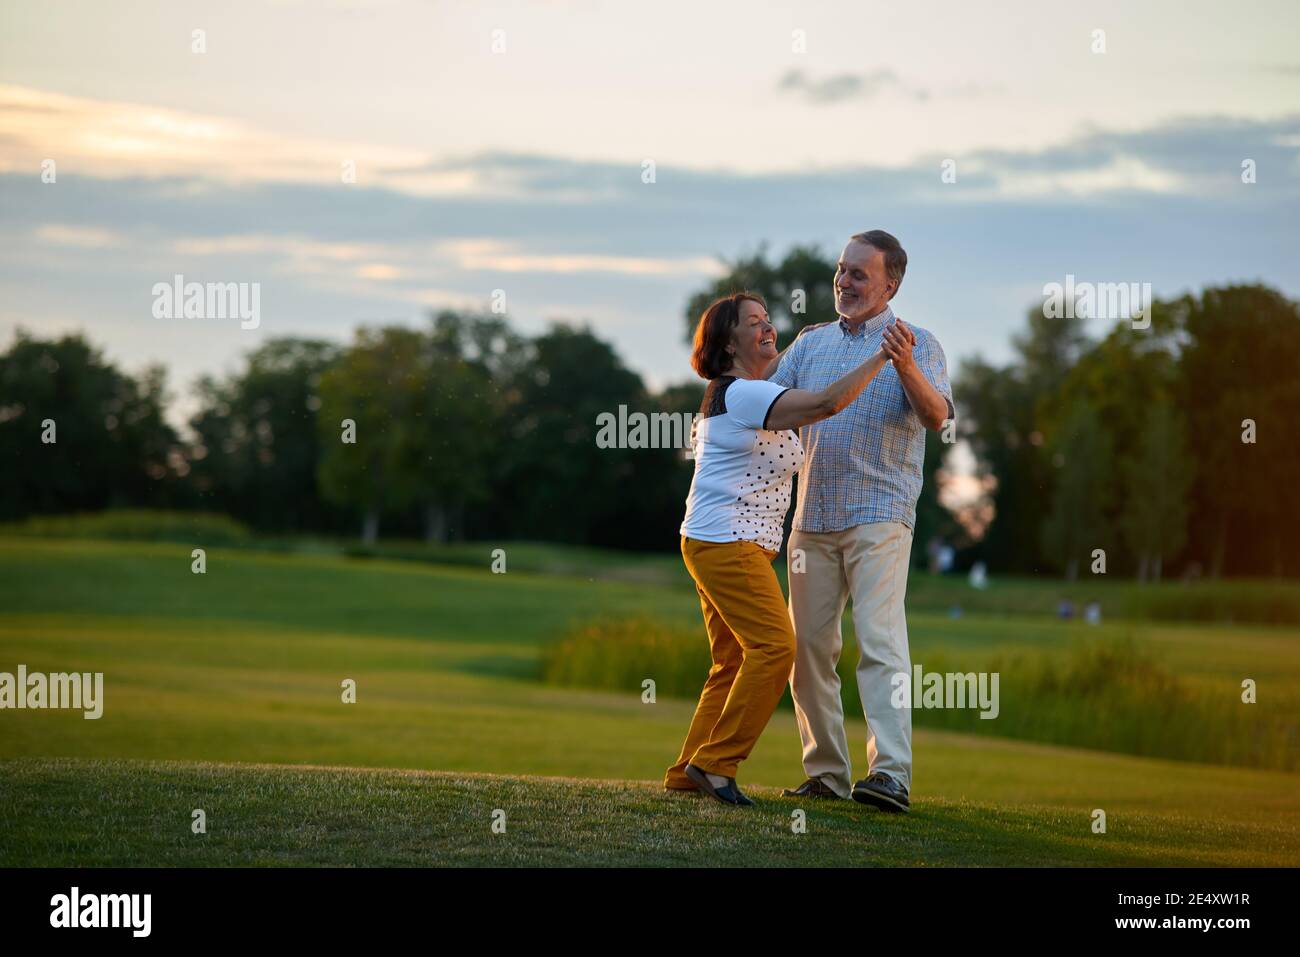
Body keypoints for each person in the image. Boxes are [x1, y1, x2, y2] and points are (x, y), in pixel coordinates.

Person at [664, 290, 911, 806]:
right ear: (727, 343)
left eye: (767, 319)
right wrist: (882, 355)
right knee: (777, 648)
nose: (766, 328)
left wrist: (821, 341)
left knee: (731, 662)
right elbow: (825, 404)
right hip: (727, 543)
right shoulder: (742, 393)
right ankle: (716, 763)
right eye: (753, 323)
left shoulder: (741, 393)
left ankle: (689, 770)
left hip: (721, 543)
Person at [770, 230, 954, 813]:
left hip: (881, 513)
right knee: (806, 647)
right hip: (812, 516)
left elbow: (936, 417)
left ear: (890, 283)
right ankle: (825, 772)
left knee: (879, 641)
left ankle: (890, 776)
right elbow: (767, 407)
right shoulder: (809, 343)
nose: (844, 282)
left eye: (858, 274)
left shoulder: (919, 342)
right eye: (841, 270)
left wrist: (903, 367)